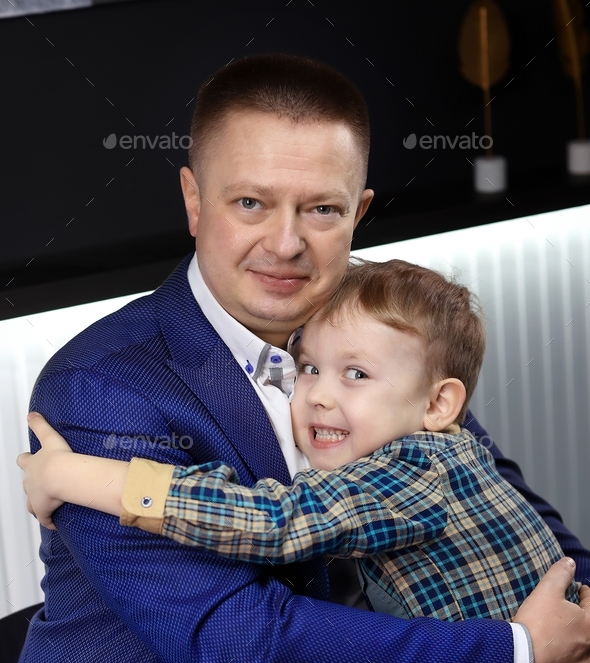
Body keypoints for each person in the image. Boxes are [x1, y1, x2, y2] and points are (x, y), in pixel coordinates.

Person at [3, 54, 590, 663]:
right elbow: (240, 645)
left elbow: (522, 525)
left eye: (321, 208)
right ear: (193, 201)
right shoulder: (103, 385)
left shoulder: (385, 341)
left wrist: (579, 627)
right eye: (251, 202)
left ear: (361, 212)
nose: (286, 242)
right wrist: (519, 657)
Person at [20, 258, 576, 632]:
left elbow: (274, 521)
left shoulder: (413, 468)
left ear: (439, 405)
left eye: (355, 375)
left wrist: (75, 477)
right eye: (308, 367)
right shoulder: (427, 435)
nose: (318, 396)